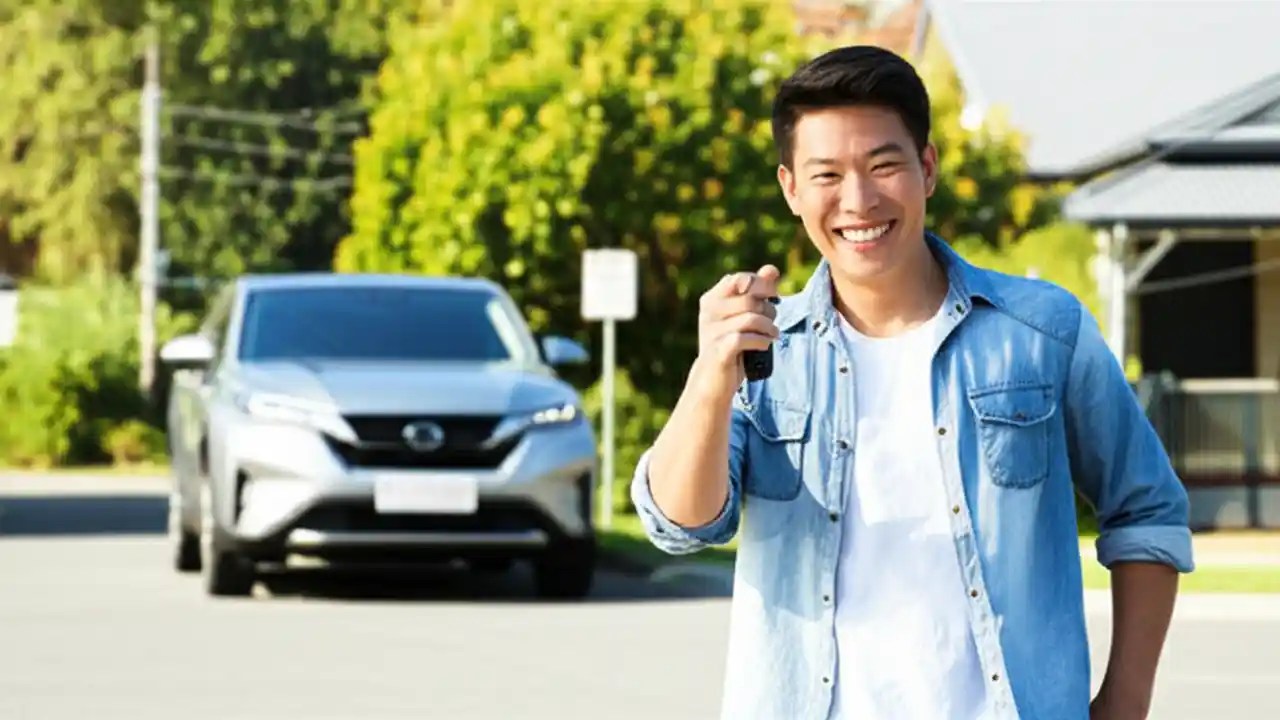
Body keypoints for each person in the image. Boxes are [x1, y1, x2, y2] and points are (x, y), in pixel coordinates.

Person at [629, 45, 1193, 720]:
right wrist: (708, 378)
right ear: (790, 190)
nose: (858, 200)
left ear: (926, 169)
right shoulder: (759, 349)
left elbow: (1148, 509)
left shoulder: (1042, 332)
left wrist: (1125, 702)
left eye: (883, 165)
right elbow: (682, 526)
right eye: (827, 174)